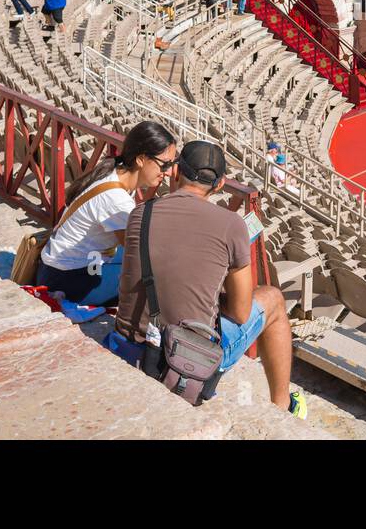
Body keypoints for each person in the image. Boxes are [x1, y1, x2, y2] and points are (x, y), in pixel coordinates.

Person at [114, 140, 303, 414]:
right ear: (220, 184)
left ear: (176, 171)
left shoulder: (140, 214)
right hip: (182, 357)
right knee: (272, 298)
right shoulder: (232, 225)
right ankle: (284, 405)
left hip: (129, 344)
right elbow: (240, 312)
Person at [38, 121, 177, 306]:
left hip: (57, 267)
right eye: (164, 165)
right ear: (141, 159)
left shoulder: (115, 173)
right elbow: (138, 252)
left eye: (172, 164)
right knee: (155, 277)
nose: (167, 172)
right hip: (67, 278)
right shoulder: (116, 199)